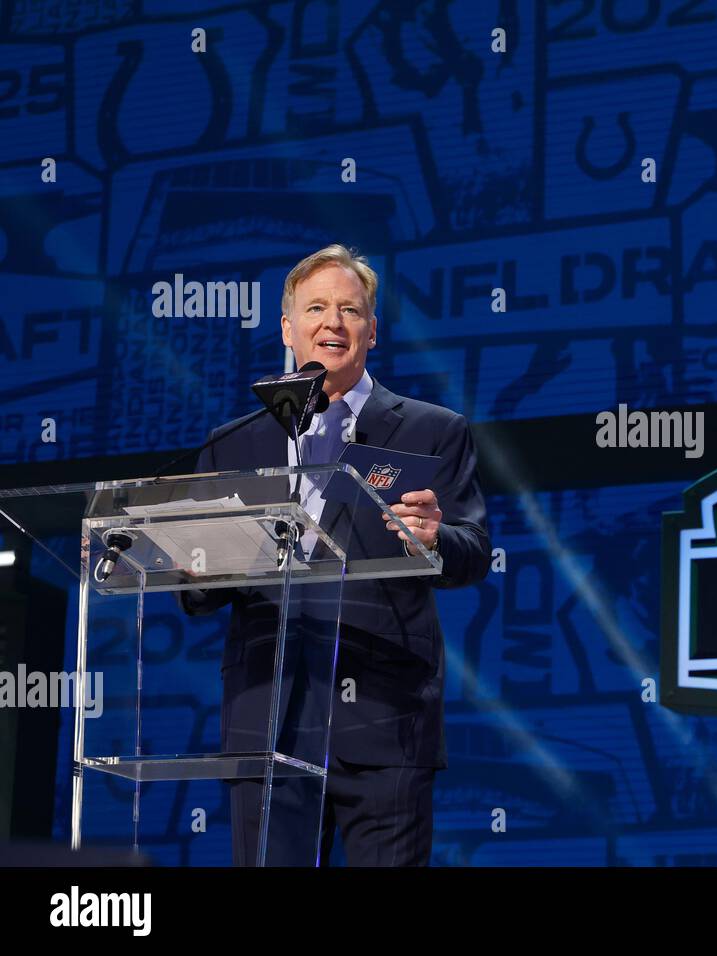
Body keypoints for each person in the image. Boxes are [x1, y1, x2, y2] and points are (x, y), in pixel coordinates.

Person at [179, 244, 491, 865]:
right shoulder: (233, 444)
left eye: (350, 310)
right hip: (266, 716)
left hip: (384, 718)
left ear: (372, 331)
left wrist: (433, 539)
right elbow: (196, 593)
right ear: (288, 328)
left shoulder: (433, 429)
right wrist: (189, 557)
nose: (333, 323)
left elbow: (474, 550)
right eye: (316, 308)